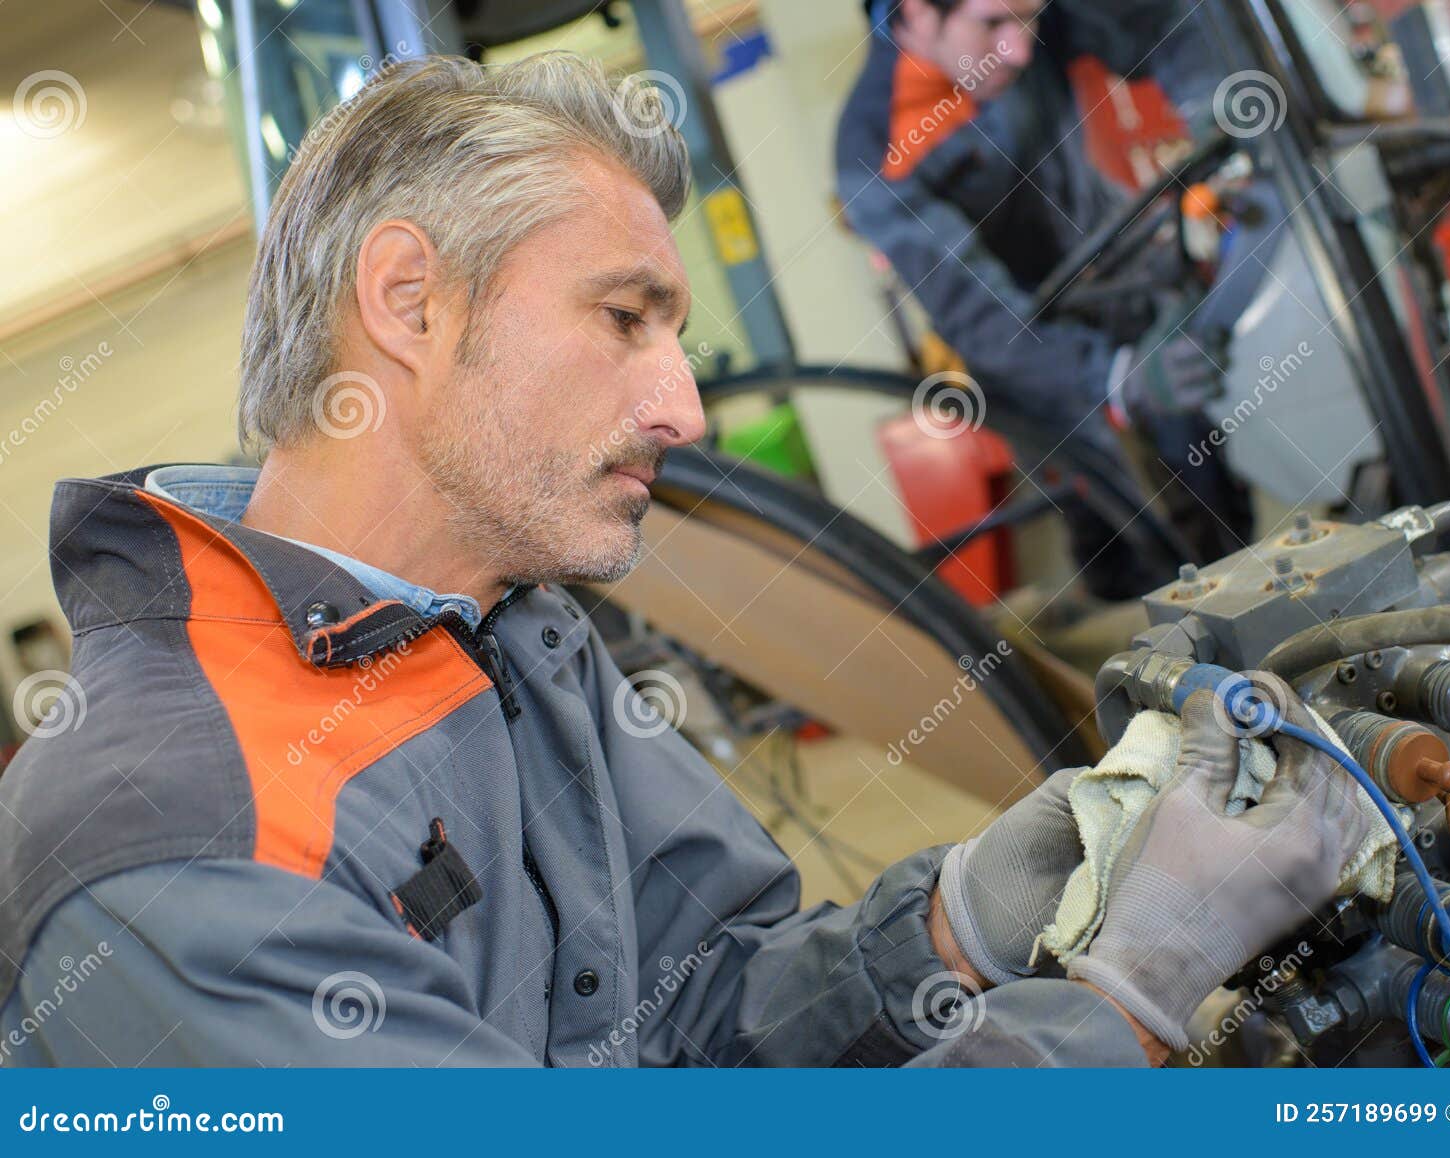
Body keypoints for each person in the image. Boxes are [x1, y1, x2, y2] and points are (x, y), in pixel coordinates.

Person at [0, 53, 1365, 1067]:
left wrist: (958, 924)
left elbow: (699, 1008)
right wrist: (1127, 993)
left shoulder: (506, 634)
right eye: (623, 318)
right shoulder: (176, 845)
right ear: (409, 300)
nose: (685, 408)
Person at [835, 0, 1257, 591]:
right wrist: (1110, 377)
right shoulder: (873, 150)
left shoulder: (1018, 17)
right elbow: (977, 309)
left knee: (1217, 501)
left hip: (1130, 277)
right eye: (993, 25)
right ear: (915, 15)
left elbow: (1165, 20)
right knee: (1128, 545)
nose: (1022, 48)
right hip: (1035, 356)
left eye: (1030, 18)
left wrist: (1217, 108)